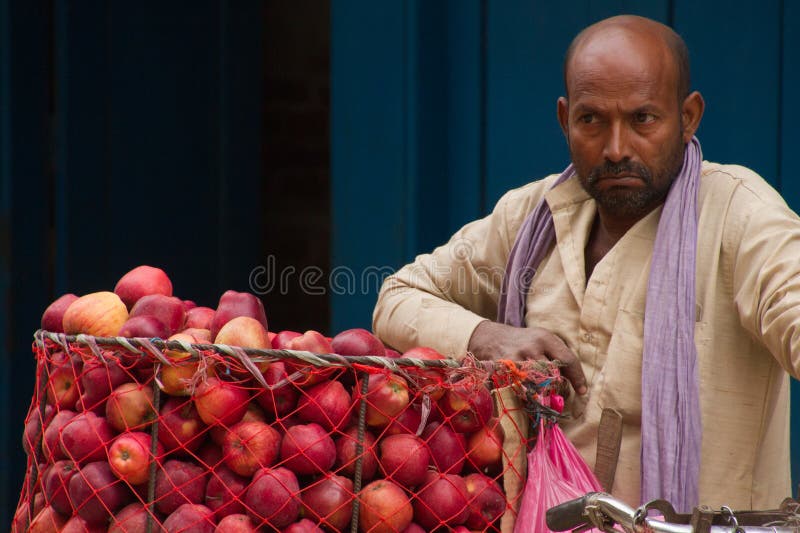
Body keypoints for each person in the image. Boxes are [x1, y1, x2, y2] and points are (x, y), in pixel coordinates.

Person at [373, 14, 799, 512]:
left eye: (643, 119)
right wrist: (487, 336)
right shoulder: (529, 219)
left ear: (688, 117)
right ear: (564, 118)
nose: (616, 149)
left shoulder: (738, 215)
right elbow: (398, 297)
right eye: (592, 120)